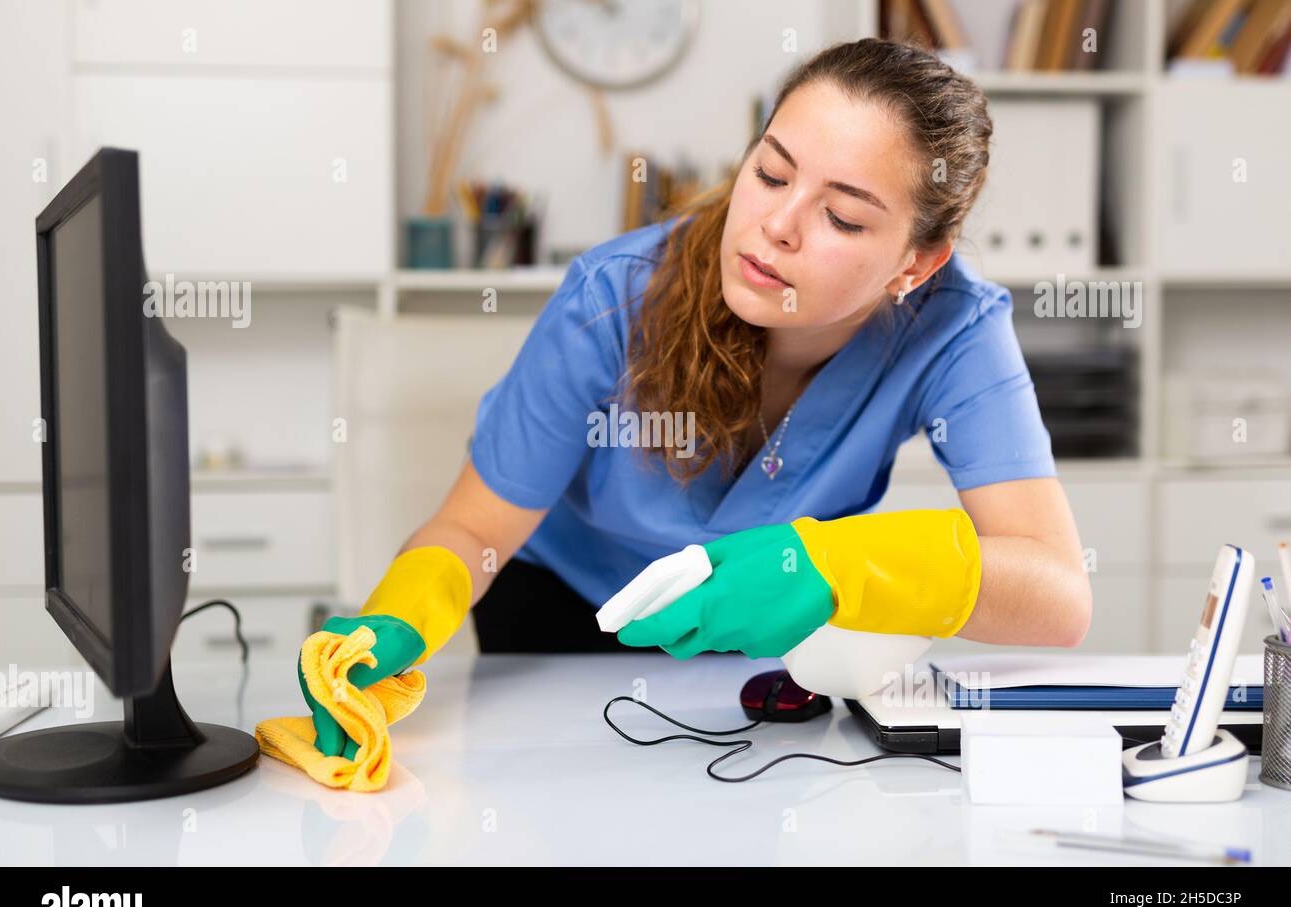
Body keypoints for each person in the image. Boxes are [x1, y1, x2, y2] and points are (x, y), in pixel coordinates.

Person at [303, 38, 1092, 756]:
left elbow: (1057, 594)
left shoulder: (953, 323)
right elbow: (475, 525)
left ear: (914, 265)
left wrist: (834, 566)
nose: (776, 225)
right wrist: (397, 619)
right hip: (562, 628)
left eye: (843, 216)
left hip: (767, 632)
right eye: (771, 173)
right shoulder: (611, 299)